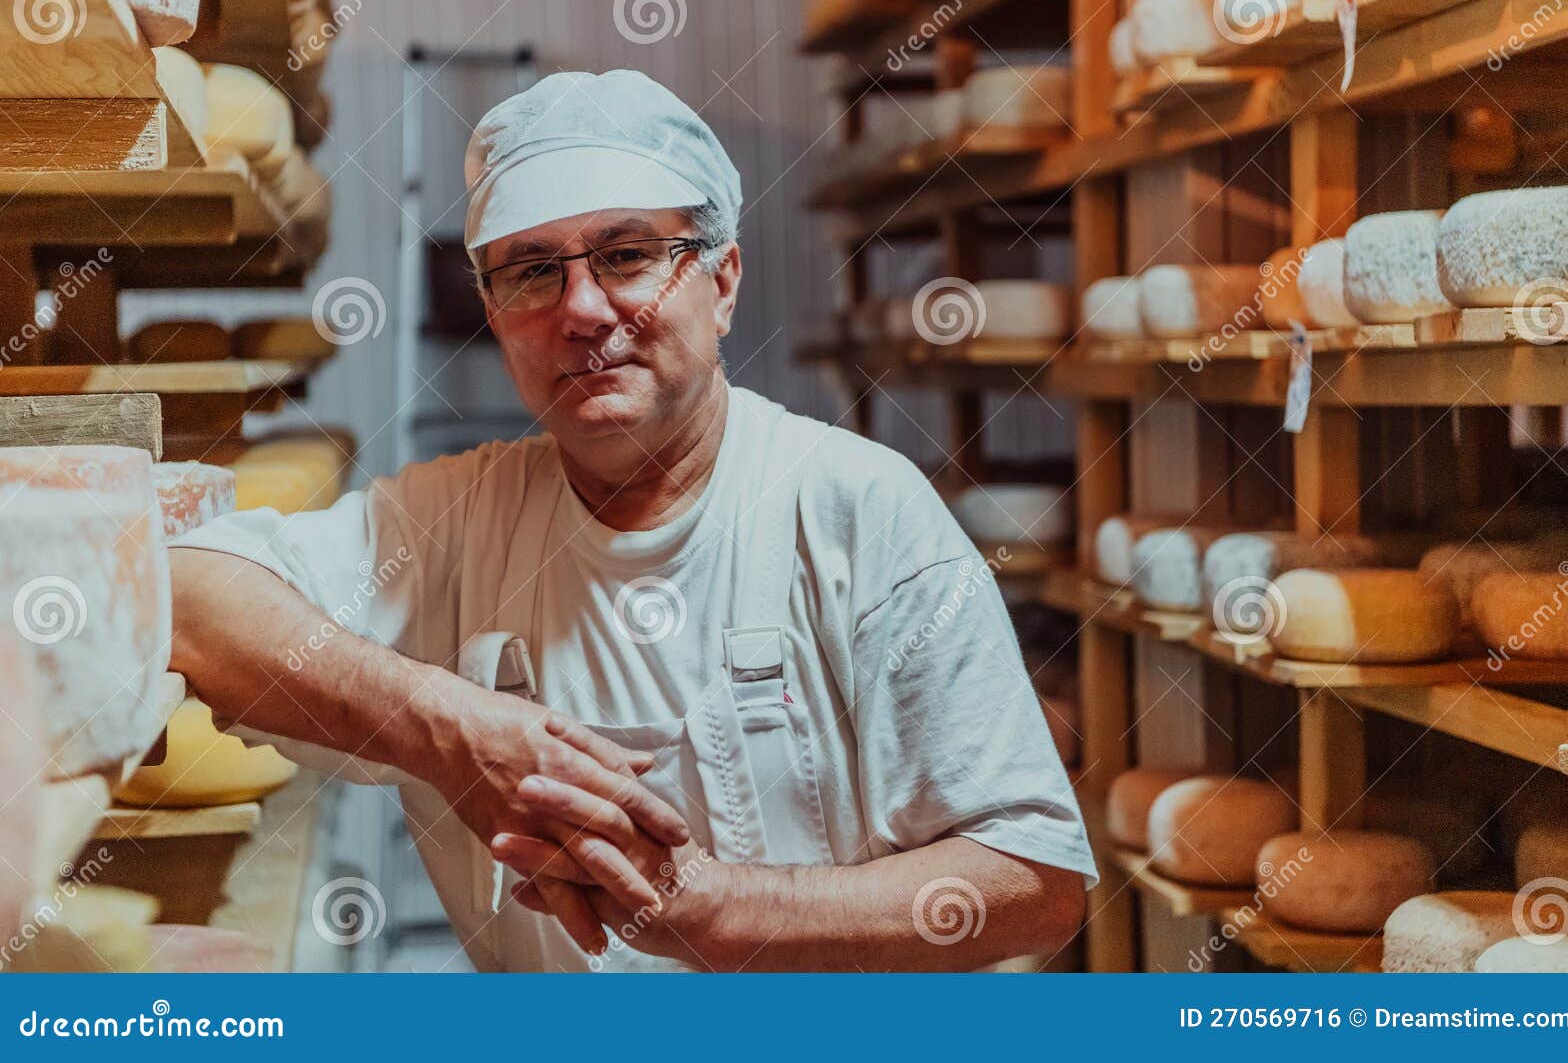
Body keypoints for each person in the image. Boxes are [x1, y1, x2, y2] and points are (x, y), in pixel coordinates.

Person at [170, 69, 1095, 972]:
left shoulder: (857, 509)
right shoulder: (450, 523)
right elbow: (183, 594)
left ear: (722, 281)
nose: (581, 309)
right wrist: (446, 727)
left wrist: (733, 914)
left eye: (626, 255)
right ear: (492, 312)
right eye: (532, 271)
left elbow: (1038, 879)